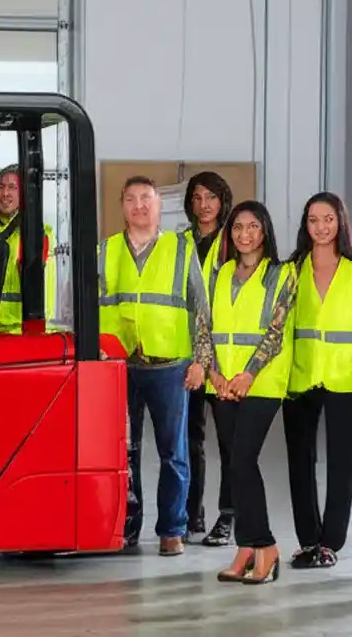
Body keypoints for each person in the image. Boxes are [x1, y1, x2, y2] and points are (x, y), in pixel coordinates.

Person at [99, 175, 213, 556]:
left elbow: (201, 310)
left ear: (159, 206)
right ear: (122, 207)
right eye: (130, 199)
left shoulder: (181, 249)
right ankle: (126, 528)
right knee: (122, 452)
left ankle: (172, 529)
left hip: (170, 366)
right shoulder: (107, 250)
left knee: (174, 452)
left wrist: (201, 360)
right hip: (120, 367)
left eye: (146, 198)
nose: (139, 206)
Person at [283, 192, 352, 569]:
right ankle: (308, 540)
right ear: (305, 226)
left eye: (328, 219)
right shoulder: (291, 271)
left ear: (341, 222)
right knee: (299, 460)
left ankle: (331, 543)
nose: (321, 227)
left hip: (348, 378)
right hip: (300, 376)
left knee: (342, 462)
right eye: (313, 220)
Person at [206, 201, 295, 585]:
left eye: (253, 226)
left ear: (265, 231)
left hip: (261, 383)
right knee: (233, 465)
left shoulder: (282, 274)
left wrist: (248, 374)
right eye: (238, 227)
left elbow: (275, 332)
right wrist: (213, 371)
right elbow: (203, 324)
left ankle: (265, 545)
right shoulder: (221, 273)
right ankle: (245, 549)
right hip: (222, 383)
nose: (245, 234)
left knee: (243, 460)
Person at [180, 171, 235, 545]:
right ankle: (191, 512)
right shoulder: (178, 244)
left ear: (223, 200)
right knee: (189, 439)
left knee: (230, 442)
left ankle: (227, 517)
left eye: (211, 197)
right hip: (188, 356)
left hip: (225, 359)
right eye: (197, 197)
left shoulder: (234, 242)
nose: (204, 205)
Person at [0, 164, 55, 334]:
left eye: (13, 187)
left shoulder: (37, 232)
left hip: (20, 330)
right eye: (0, 187)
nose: (5, 193)